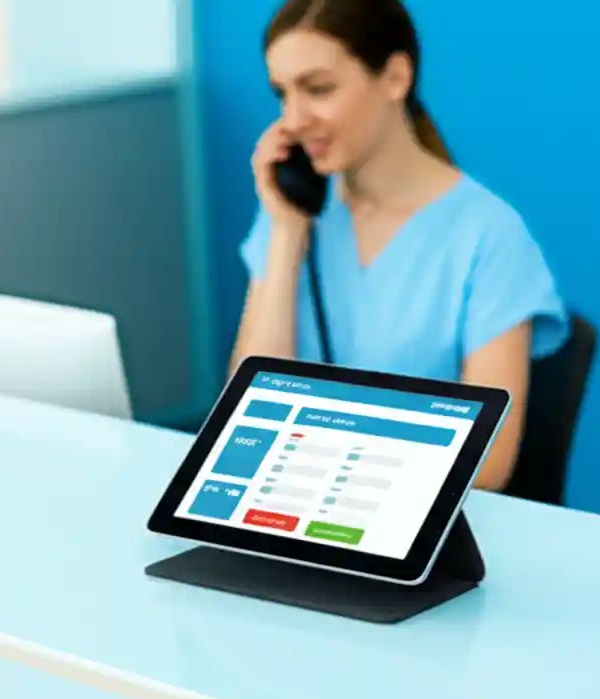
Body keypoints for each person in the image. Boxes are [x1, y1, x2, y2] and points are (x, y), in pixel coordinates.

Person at [230, 0, 569, 492]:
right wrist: (286, 234)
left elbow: (488, 465)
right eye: (282, 94)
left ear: (394, 77)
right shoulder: (293, 214)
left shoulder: (489, 235)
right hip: (298, 506)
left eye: (319, 89)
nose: (294, 119)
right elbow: (246, 420)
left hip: (410, 524)